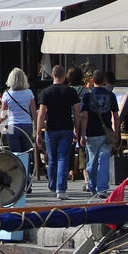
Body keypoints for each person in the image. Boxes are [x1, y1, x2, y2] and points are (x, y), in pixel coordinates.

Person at [37, 64, 82, 200]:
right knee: (63, 158)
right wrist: (77, 129)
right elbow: (77, 112)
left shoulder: (46, 92)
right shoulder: (71, 92)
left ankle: (52, 184)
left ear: (52, 76)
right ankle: (61, 189)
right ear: (64, 77)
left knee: (52, 158)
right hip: (67, 127)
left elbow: (42, 113)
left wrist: (38, 132)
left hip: (51, 129)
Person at [80, 70, 120, 198]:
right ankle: (102, 188)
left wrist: (82, 133)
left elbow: (84, 116)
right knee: (104, 160)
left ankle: (92, 186)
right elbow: (116, 116)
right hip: (106, 132)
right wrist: (117, 132)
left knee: (92, 162)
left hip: (91, 133)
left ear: (92, 80)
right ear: (104, 81)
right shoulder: (111, 95)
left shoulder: (87, 96)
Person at [0, 67, 37, 155]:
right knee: (26, 153)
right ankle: (26, 168)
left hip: (12, 126)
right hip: (27, 125)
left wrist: (1, 128)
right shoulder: (29, 93)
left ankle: (18, 168)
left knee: (15, 154)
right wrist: (36, 127)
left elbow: (3, 115)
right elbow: (34, 113)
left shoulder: (7, 94)